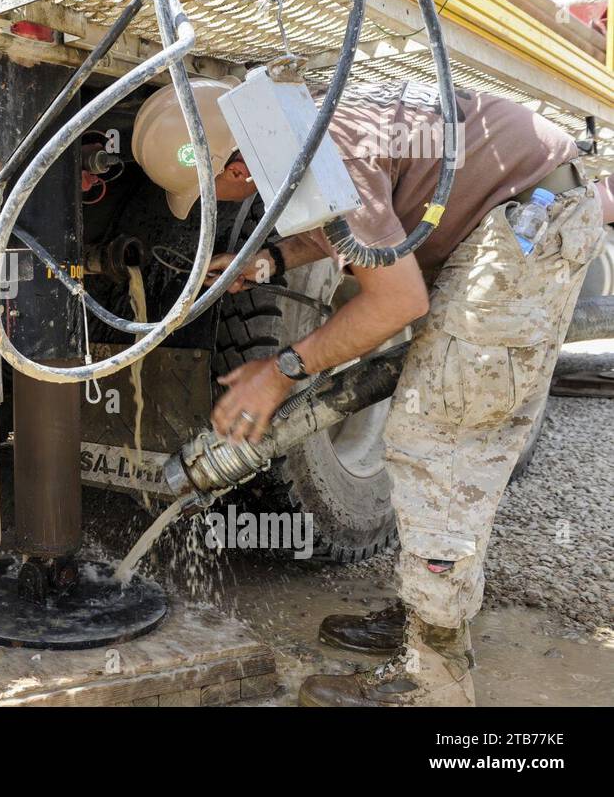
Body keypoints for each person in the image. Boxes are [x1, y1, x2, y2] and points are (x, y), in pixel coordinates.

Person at [136, 77, 606, 706]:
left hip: (527, 219)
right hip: (504, 208)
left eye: (205, 189)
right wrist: (270, 261)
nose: (206, 204)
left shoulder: (333, 151)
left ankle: (432, 680)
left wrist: (279, 373)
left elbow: (396, 299)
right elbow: (357, 220)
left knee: (439, 432)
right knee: (437, 425)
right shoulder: (296, 127)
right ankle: (426, 617)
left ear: (241, 166)